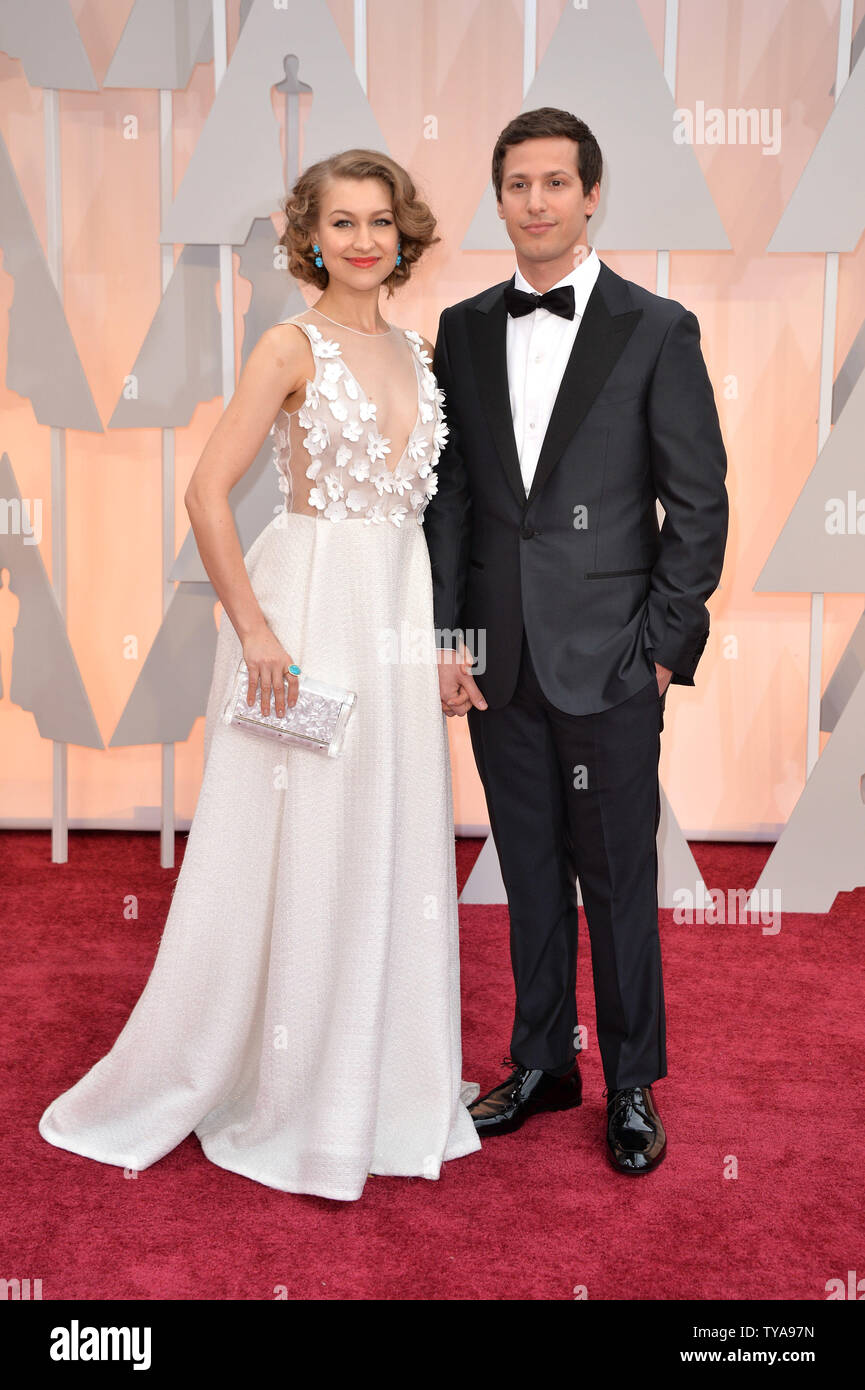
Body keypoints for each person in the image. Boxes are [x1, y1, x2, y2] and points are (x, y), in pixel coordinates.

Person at [38, 149, 481, 1201]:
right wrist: (258, 634)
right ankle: (288, 1087)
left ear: (402, 233)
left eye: (380, 220)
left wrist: (436, 646)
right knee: (302, 839)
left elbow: (428, 515)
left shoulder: (420, 356)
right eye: (342, 222)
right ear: (310, 237)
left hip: (394, 602)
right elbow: (204, 492)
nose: (364, 239)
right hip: (306, 609)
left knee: (380, 832)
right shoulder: (291, 347)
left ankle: (375, 1080)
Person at [423, 108, 728, 1175]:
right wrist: (449, 640)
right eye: (518, 185)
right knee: (528, 868)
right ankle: (543, 1061)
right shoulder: (461, 330)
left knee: (614, 880)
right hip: (499, 659)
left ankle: (631, 1080)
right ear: (498, 199)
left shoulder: (655, 327)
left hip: (609, 662)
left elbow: (698, 505)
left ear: (591, 195)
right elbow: (452, 500)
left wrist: (660, 645)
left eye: (557, 183)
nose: (538, 202)